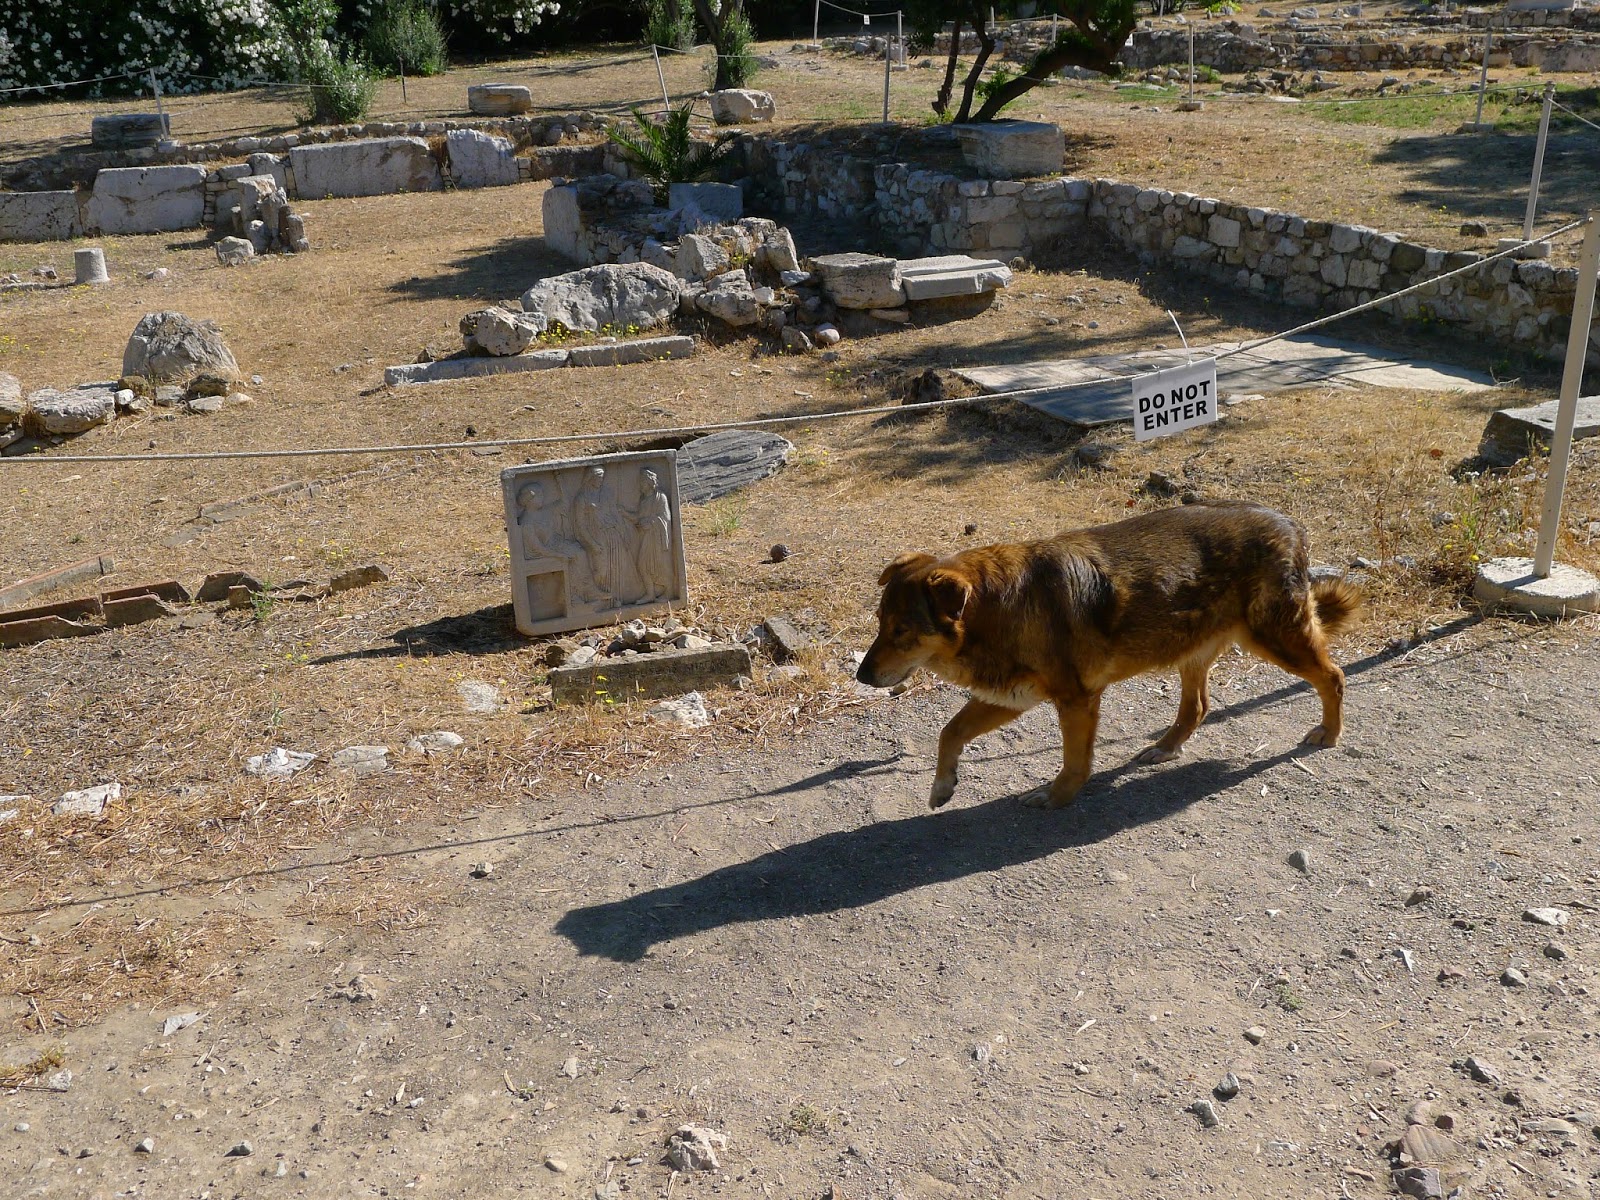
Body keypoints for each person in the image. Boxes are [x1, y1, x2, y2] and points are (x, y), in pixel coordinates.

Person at [633, 469, 673, 601]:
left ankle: (669, 592)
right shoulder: (643, 500)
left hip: (657, 537)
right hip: (647, 537)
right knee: (642, 565)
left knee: (660, 564)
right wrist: (623, 513)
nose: (640, 486)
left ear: (650, 483)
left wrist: (650, 523)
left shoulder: (660, 497)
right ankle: (650, 594)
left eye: (642, 483)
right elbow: (638, 517)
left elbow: (665, 517)